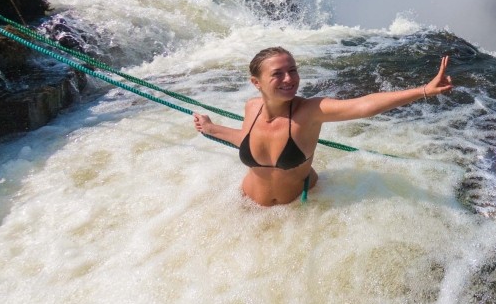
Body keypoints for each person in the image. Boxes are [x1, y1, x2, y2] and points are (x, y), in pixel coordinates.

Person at [193, 46, 453, 206]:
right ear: (256, 82)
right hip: (247, 205)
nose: (289, 79)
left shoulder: (310, 111)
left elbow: (364, 105)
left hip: (300, 207)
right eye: (278, 73)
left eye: (292, 70)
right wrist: (211, 128)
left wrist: (424, 91)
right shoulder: (251, 107)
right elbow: (251, 141)